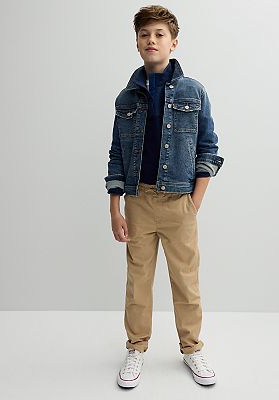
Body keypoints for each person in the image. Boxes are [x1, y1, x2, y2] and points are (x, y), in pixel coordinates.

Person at [104, 5, 224, 388]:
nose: (151, 40)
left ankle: (192, 348)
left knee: (185, 281)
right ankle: (136, 348)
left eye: (159, 34)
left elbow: (208, 148)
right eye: (144, 35)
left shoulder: (193, 91)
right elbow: (117, 155)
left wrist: (194, 202)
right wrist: (115, 208)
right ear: (137, 43)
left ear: (173, 42)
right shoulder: (126, 98)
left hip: (179, 202)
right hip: (138, 201)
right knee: (137, 282)